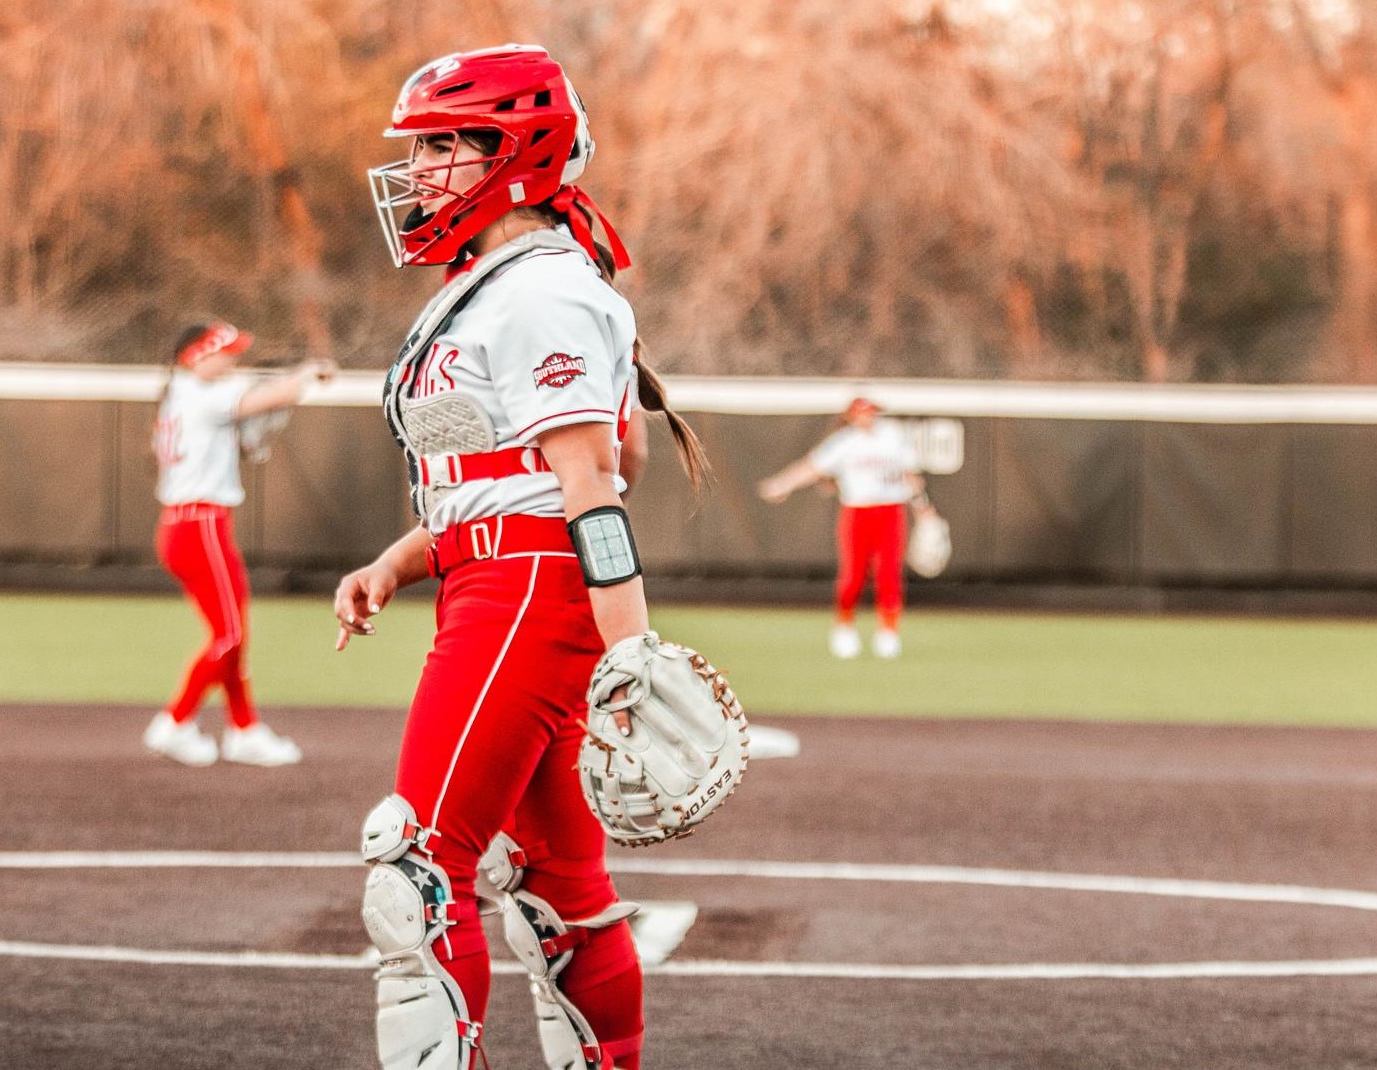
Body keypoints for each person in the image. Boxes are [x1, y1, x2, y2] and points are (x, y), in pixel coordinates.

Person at [334, 45, 706, 1070]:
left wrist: (630, 654)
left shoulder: (540, 289)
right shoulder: (490, 284)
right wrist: (401, 561)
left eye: (445, 146)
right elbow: (493, 475)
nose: (421, 172)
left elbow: (588, 479)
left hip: (529, 587)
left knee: (416, 870)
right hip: (493, 576)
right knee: (557, 885)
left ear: (514, 152)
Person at [143, 320, 334, 767]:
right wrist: (308, 372)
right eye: (223, 352)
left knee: (231, 634)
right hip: (200, 526)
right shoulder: (202, 395)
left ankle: (244, 728)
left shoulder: (179, 395)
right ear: (196, 356)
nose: (233, 359)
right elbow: (276, 396)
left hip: (184, 526)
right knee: (229, 635)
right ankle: (175, 721)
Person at [758, 395, 929, 660]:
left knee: (889, 574)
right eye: (860, 412)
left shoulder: (893, 436)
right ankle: (844, 628)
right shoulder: (845, 441)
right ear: (851, 415)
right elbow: (812, 467)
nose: (866, 416)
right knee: (854, 575)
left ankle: (888, 633)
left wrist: (923, 507)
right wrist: (783, 484)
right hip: (857, 511)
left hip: (891, 510)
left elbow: (910, 475)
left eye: (870, 411)